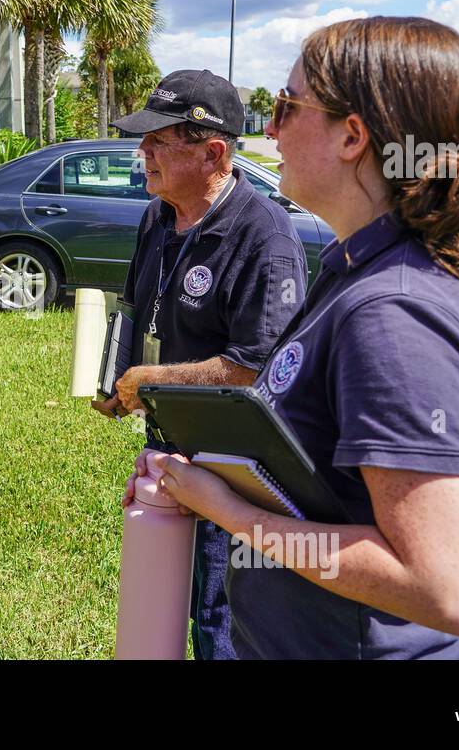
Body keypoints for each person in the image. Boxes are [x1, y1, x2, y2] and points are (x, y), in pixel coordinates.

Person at [147, 16, 459, 659]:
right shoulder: (356, 269)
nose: (268, 130)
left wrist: (231, 514)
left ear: (353, 136)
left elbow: (443, 590)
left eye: (287, 107)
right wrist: (204, 473)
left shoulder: (395, 315)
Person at [96, 69, 308, 659]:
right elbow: (138, 306)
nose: (143, 153)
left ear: (212, 151)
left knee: (222, 619)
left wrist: (151, 382)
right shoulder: (158, 216)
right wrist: (116, 379)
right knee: (170, 597)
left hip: (234, 466)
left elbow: (254, 368)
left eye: (158, 142)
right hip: (171, 450)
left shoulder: (265, 236)